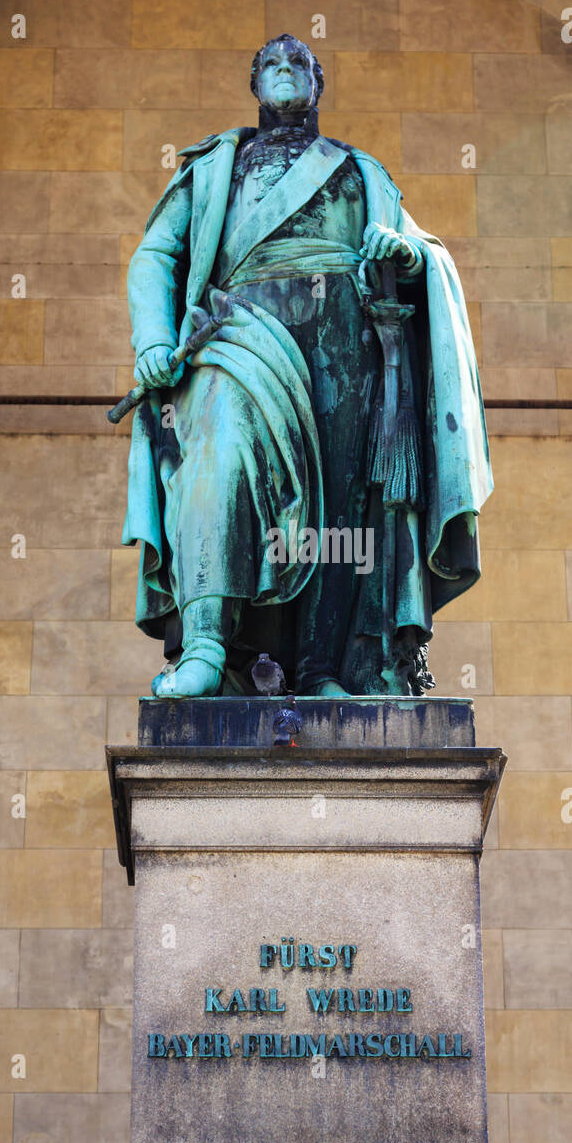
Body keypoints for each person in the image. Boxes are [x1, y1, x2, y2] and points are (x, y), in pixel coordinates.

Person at [122, 34, 492, 698]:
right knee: (217, 465)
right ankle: (206, 647)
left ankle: (327, 668)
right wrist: (152, 339)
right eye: (272, 64)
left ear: (317, 84)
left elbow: (418, 247)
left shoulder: (358, 169)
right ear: (256, 84)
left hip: (346, 339)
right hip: (235, 331)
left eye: (299, 64)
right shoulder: (216, 166)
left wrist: (408, 258)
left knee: (342, 507)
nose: (286, 72)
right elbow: (155, 255)